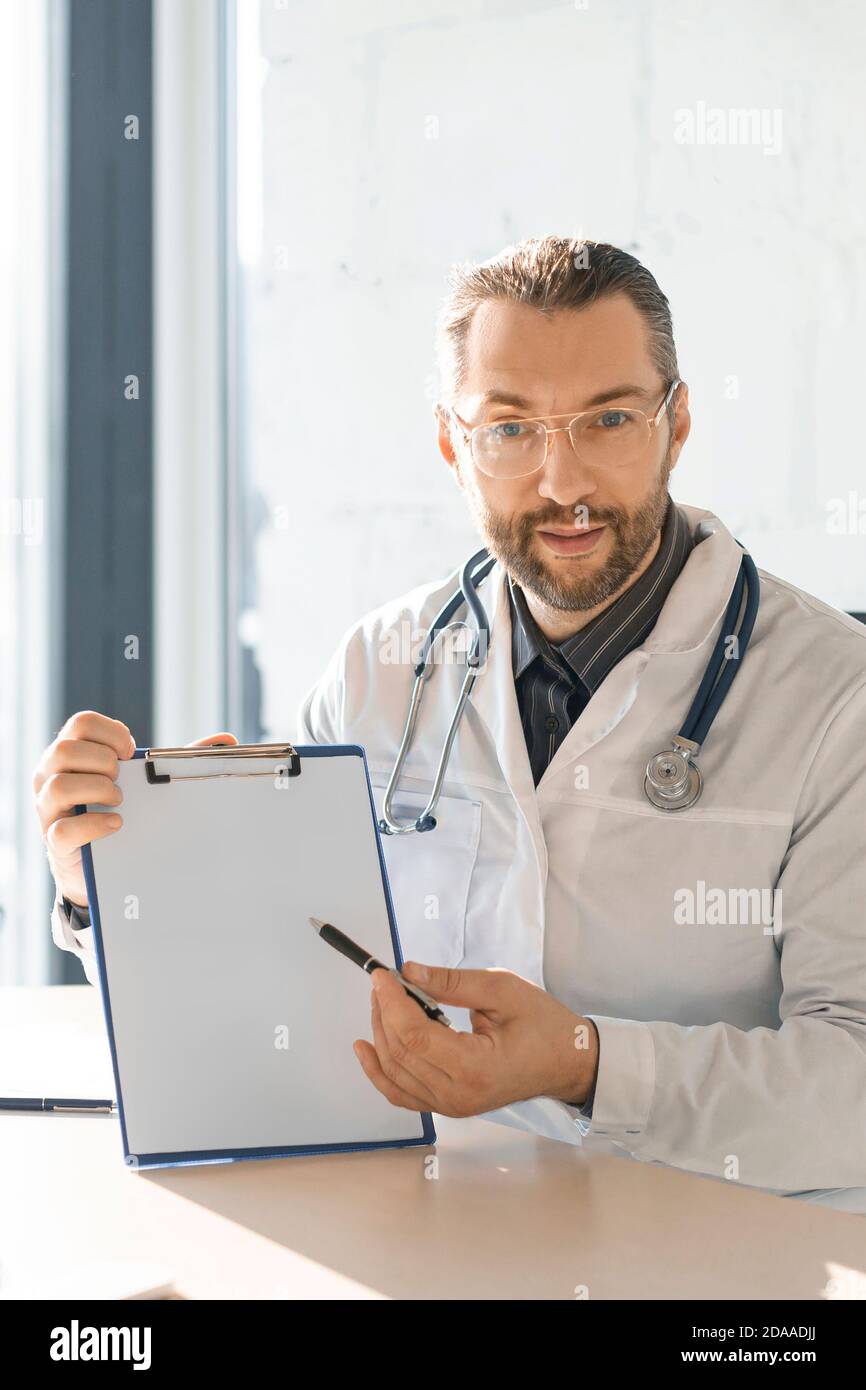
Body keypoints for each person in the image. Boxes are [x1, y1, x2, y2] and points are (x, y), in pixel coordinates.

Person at [35, 236, 866, 1212]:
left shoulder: (831, 694)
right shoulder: (375, 671)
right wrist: (120, 889)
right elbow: (281, 1009)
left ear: (673, 422)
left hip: (719, 1281)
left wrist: (581, 1064)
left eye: (606, 418)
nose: (561, 483)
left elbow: (848, 1083)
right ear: (449, 444)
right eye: (509, 429)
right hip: (430, 1242)